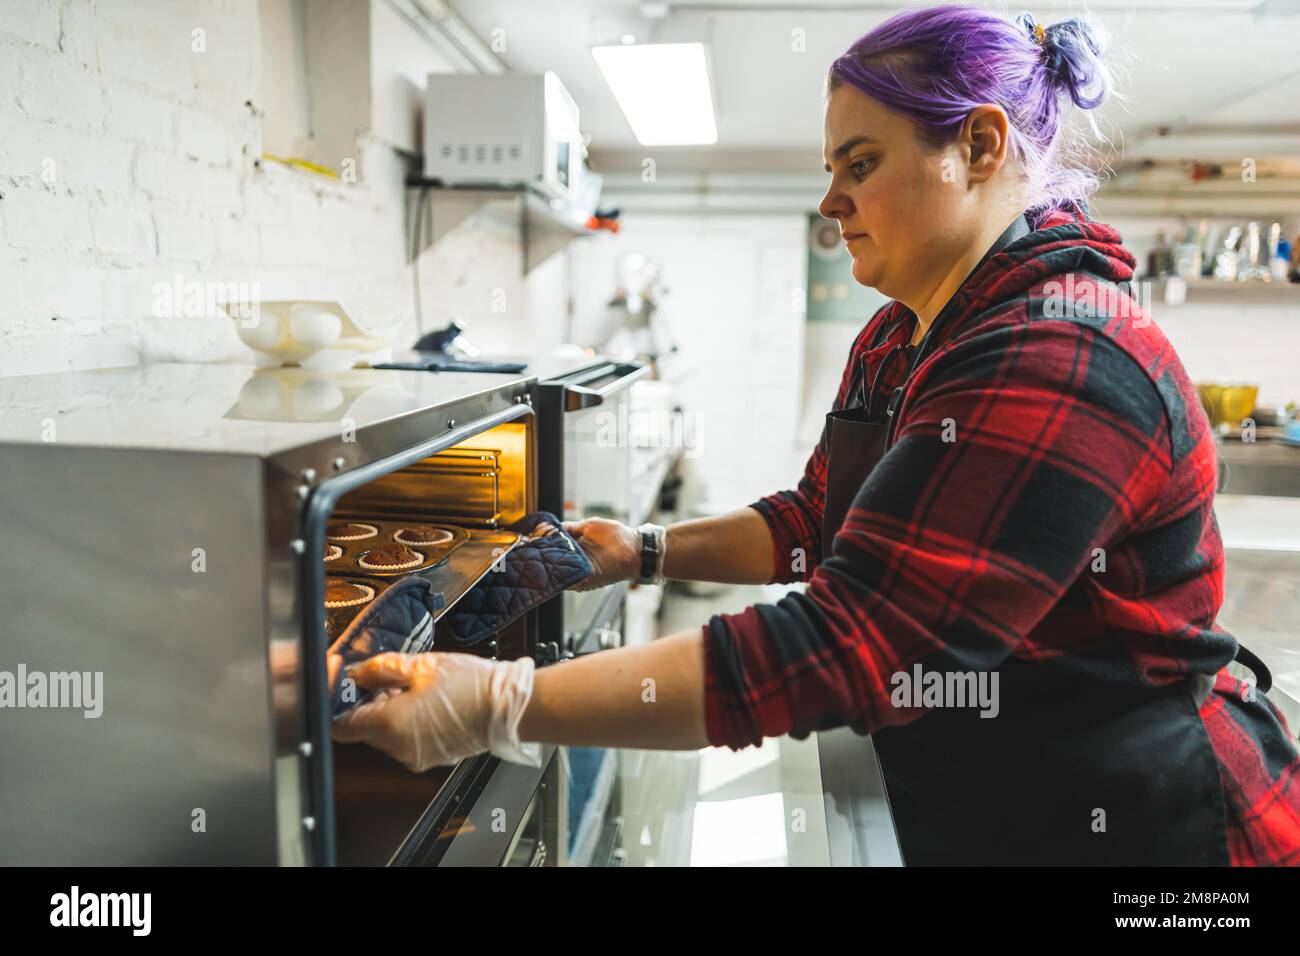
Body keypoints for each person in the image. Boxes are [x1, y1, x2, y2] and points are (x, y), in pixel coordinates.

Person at [332, 6, 1300, 865]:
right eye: (829, 170)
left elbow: (851, 643)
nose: (831, 204)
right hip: (982, 796)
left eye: (860, 164)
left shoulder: (1063, 354)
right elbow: (819, 517)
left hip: (1142, 819)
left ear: (978, 144)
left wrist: (503, 702)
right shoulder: (903, 332)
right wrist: (640, 551)